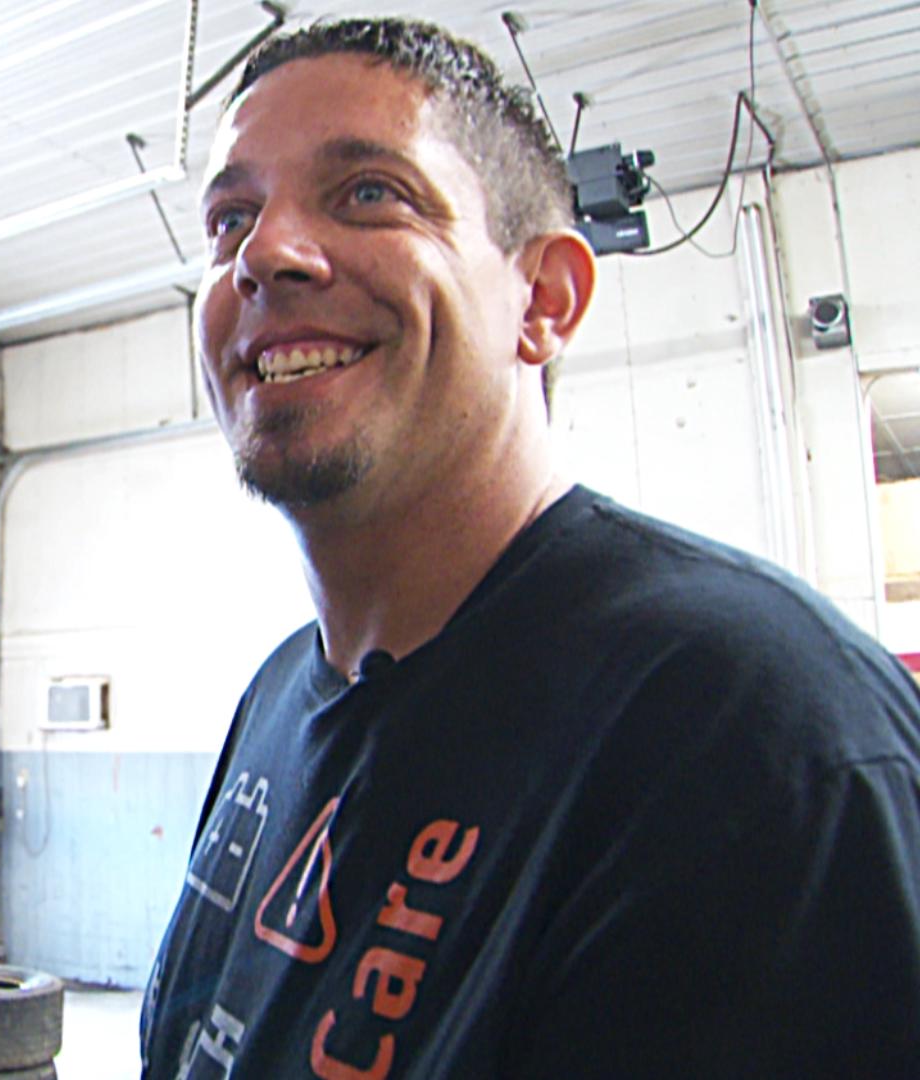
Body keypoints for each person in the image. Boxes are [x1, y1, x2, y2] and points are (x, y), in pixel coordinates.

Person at [140, 16, 920, 1079]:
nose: (264, 254)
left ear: (544, 302)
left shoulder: (753, 732)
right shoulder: (280, 695)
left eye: (370, 192)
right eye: (231, 218)